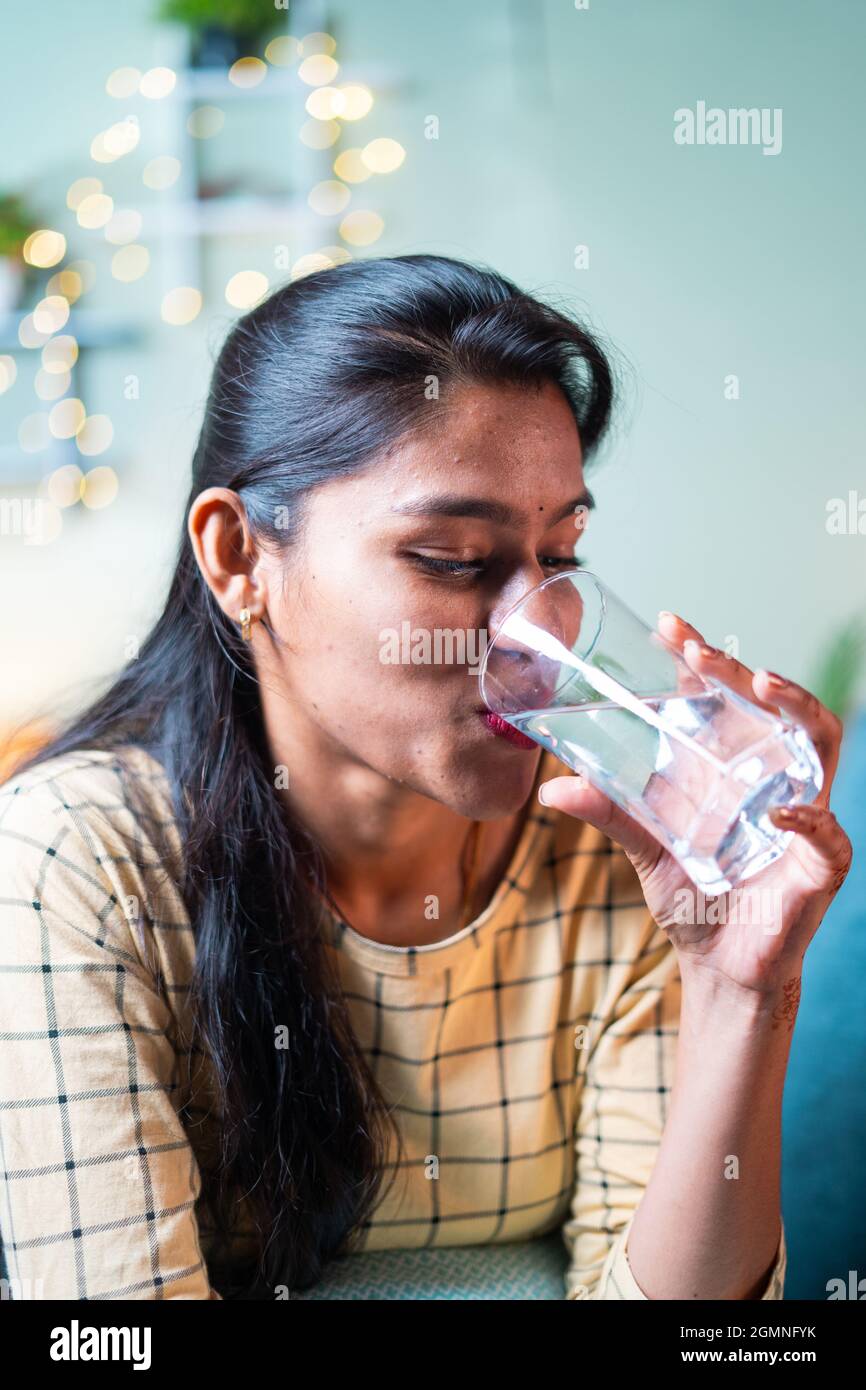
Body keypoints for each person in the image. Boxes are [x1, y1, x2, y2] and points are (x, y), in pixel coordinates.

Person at [0, 255, 851, 1300]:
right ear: (237, 559)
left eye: (561, 553)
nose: (541, 639)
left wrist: (736, 993)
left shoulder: (621, 846)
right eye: (452, 558)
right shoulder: (72, 867)